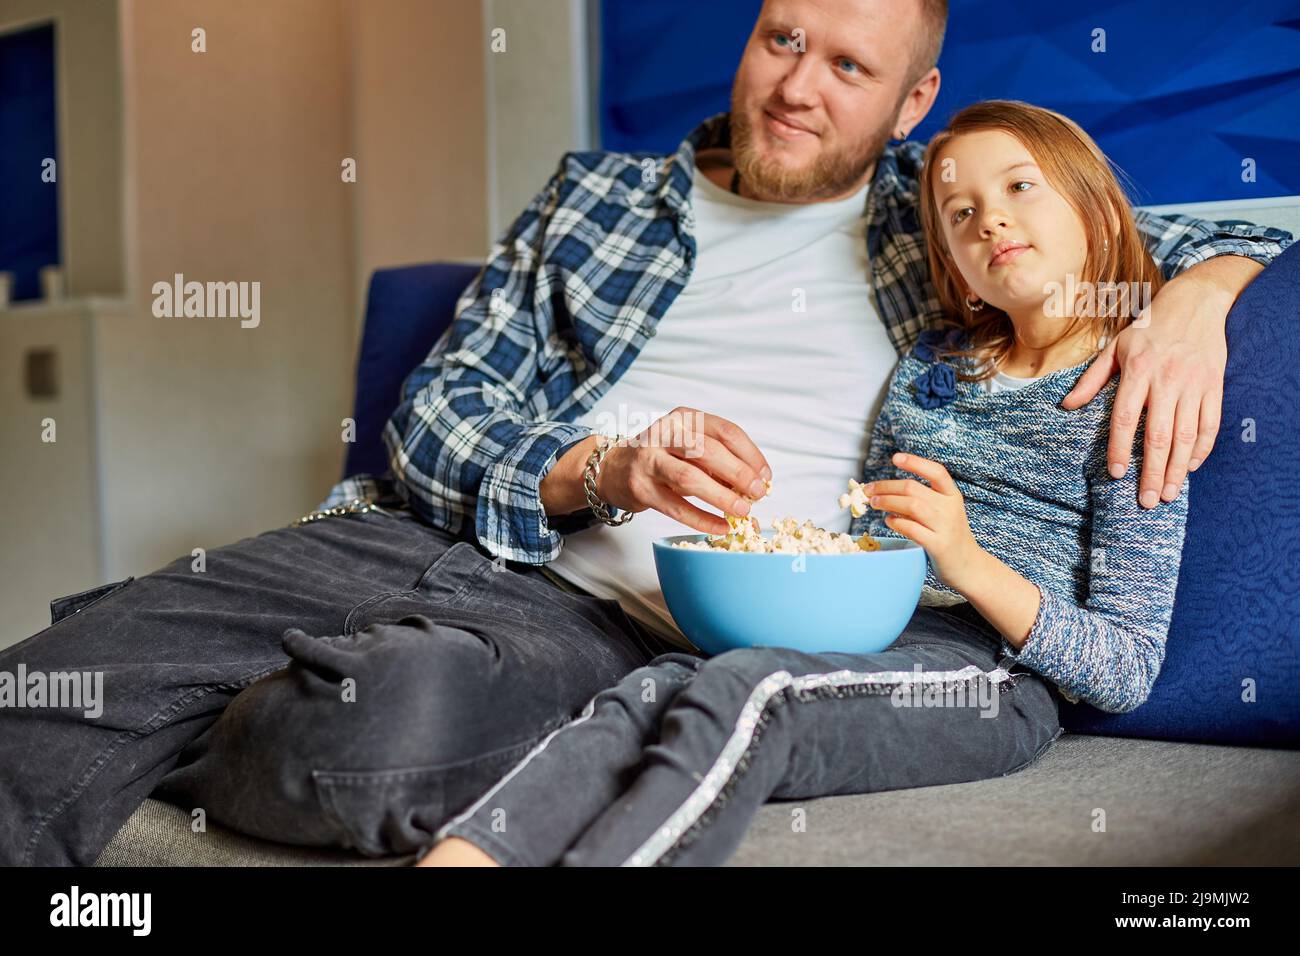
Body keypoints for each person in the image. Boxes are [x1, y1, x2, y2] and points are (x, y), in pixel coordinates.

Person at [0, 0, 1289, 867]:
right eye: (785, 37)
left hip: (604, 618)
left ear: (912, 102)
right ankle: (172, 660)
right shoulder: (594, 197)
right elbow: (436, 413)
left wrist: (1196, 295)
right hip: (427, 533)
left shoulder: (940, 217)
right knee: (35, 694)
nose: (797, 86)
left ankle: (238, 701)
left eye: (850, 67)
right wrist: (598, 469)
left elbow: (1109, 234)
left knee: (376, 743)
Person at [418, 99, 1199, 866]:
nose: (989, 219)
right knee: (661, 685)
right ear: (954, 270)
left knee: (752, 696)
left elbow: (1124, 669)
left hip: (990, 675)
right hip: (863, 629)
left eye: (1021, 187)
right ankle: (465, 856)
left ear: (1097, 211)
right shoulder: (933, 361)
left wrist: (967, 562)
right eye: (960, 212)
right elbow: (868, 525)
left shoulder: (1133, 398)